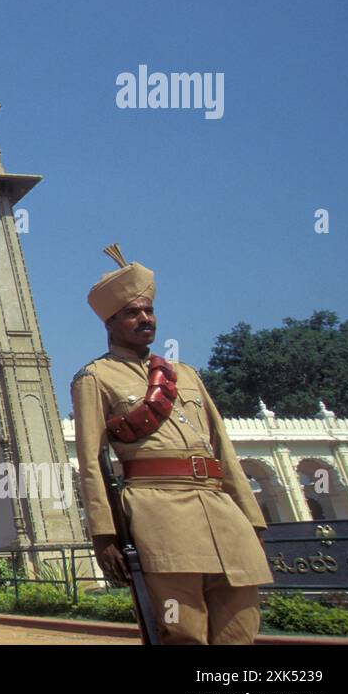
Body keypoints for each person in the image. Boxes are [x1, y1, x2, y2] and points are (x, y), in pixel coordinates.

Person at [71, 244, 273, 644]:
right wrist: (104, 533)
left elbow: (223, 449)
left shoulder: (186, 375)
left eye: (148, 311)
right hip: (158, 512)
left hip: (221, 509)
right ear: (110, 324)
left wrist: (250, 516)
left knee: (241, 627)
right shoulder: (95, 377)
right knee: (183, 631)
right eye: (132, 313)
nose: (144, 319)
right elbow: (92, 460)